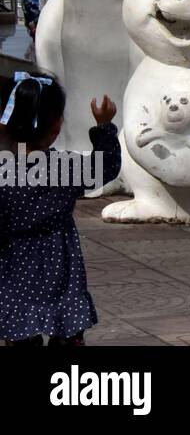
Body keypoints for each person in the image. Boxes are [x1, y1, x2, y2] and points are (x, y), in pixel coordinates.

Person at [0, 72, 119, 346]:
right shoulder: (64, 169)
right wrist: (104, 127)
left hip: (13, 272)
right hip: (60, 268)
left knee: (20, 334)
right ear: (55, 126)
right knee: (66, 328)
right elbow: (107, 165)